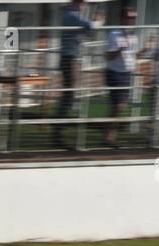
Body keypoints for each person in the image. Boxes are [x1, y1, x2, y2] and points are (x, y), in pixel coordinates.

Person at [53, 0, 98, 149]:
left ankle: (58, 131)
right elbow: (89, 27)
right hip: (69, 59)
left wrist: (90, 26)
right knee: (69, 95)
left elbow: (88, 33)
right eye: (83, 2)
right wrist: (98, 21)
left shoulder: (73, 16)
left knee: (70, 96)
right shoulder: (70, 15)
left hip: (73, 58)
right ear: (77, 3)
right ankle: (57, 133)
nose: (85, 5)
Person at [103, 6, 138, 147]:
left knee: (118, 107)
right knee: (119, 106)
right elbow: (108, 56)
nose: (131, 20)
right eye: (129, 17)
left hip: (126, 73)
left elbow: (133, 56)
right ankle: (109, 137)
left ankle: (108, 134)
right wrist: (120, 49)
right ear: (122, 18)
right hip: (114, 72)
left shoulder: (133, 36)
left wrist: (147, 49)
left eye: (133, 18)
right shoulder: (114, 34)